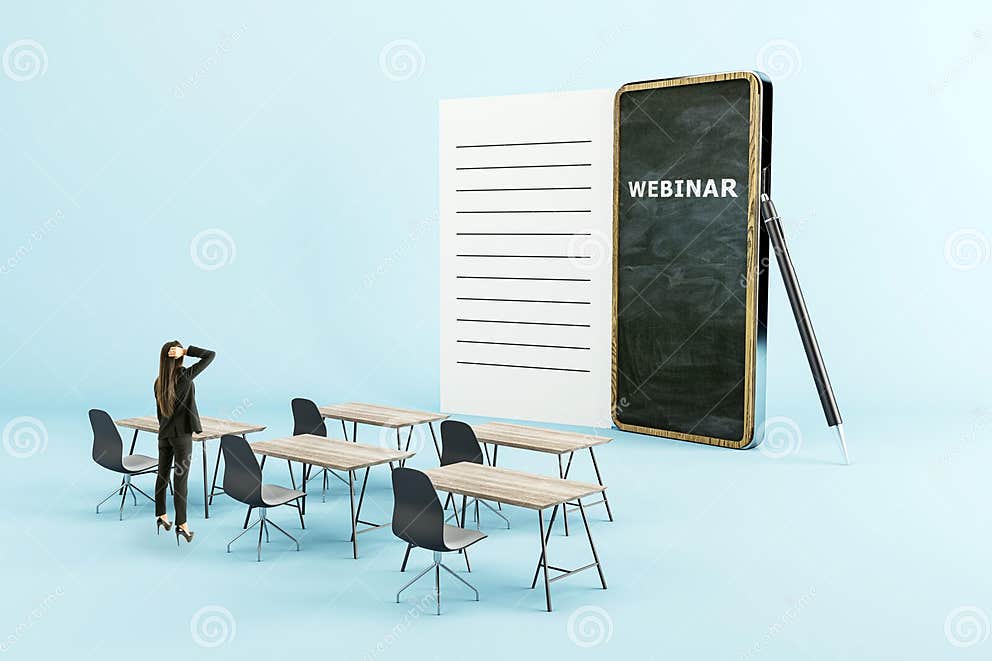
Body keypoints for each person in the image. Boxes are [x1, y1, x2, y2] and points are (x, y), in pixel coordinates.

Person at [153, 341, 215, 543]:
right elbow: (210, 355)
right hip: (182, 438)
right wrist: (187, 350)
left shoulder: (158, 381)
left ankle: (161, 516)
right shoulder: (185, 376)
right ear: (179, 356)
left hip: (164, 435)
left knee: (163, 475)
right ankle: (182, 525)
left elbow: (160, 414)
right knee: (180, 480)